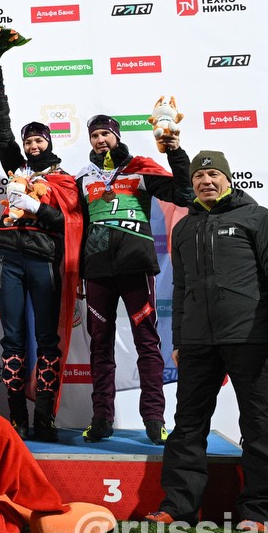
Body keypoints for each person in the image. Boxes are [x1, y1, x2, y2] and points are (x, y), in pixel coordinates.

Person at [146, 150, 268, 531]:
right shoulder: (184, 228)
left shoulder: (258, 218)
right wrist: (179, 342)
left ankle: (258, 512)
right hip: (198, 343)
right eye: (199, 177)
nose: (205, 181)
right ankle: (178, 508)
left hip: (250, 338)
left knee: (258, 425)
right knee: (187, 426)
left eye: (213, 174)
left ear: (228, 179)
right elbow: (179, 290)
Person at [76, 114, 191, 445]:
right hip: (97, 272)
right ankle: (102, 419)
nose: (100, 140)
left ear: (116, 136)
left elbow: (183, 193)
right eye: (94, 135)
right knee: (100, 345)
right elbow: (72, 226)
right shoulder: (83, 178)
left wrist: (175, 152)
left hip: (135, 269)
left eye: (105, 134)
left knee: (147, 343)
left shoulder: (140, 169)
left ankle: (154, 419)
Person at [0, 62, 82, 441]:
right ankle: (16, 415)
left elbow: (68, 223)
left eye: (38, 140)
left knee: (46, 339)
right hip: (9, 255)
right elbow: (0, 132)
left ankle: (44, 415)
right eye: (28, 142)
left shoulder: (64, 179)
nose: (32, 146)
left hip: (44, 259)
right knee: (11, 338)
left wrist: (34, 205)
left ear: (49, 142)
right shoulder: (17, 169)